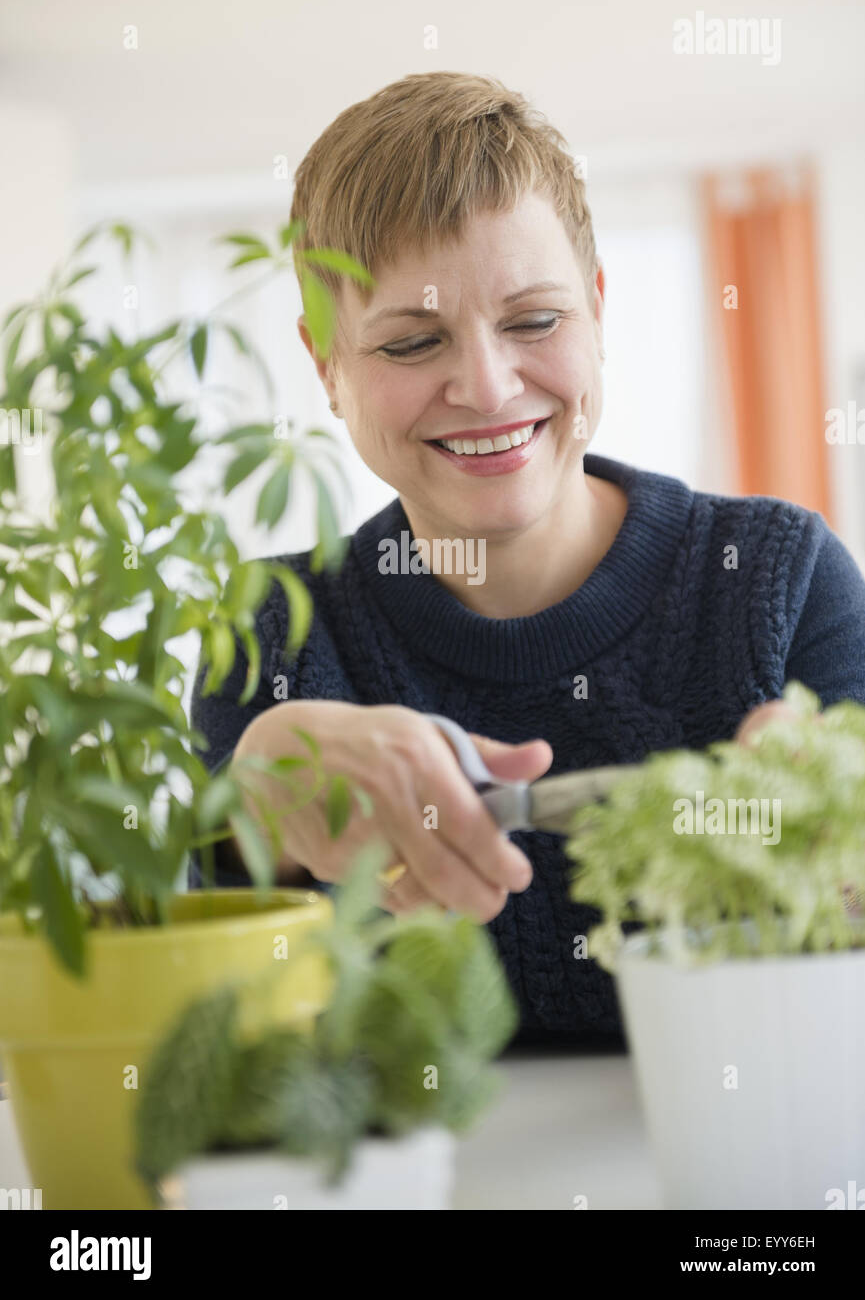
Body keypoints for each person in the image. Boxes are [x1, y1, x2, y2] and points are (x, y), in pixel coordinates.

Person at [190, 71, 865, 1044]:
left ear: (595, 309)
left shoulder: (779, 576)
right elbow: (227, 1041)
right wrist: (252, 803)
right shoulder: (270, 632)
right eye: (414, 342)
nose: (486, 384)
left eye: (534, 321)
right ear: (324, 363)